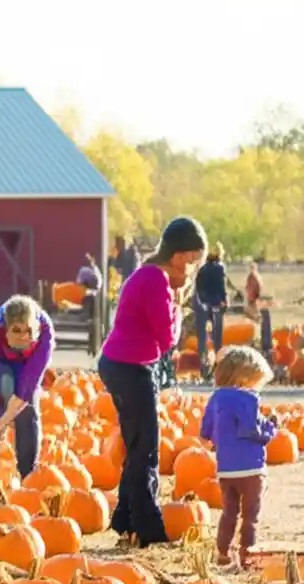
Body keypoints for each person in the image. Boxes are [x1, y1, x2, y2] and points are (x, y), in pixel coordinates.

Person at [100, 216, 208, 548]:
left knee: (137, 445)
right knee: (146, 447)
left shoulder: (145, 275)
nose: (192, 267)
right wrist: (177, 306)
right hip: (131, 368)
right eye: (192, 259)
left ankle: (126, 518)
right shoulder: (156, 281)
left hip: (120, 364)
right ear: (178, 255)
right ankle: (147, 526)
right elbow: (167, 338)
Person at [200, 346, 276, 569]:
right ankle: (247, 555)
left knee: (229, 512)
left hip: (225, 469)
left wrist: (220, 440)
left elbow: (205, 431)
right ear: (245, 377)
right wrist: (270, 428)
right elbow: (251, 429)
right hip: (251, 469)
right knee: (250, 515)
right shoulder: (247, 398)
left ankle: (222, 552)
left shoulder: (216, 398)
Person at [0, 295, 54, 479]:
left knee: (28, 409)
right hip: (1, 362)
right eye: (17, 330)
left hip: (27, 365)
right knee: (1, 386)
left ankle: (27, 473)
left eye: (28, 331)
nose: (23, 336)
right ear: (5, 328)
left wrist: (3, 422)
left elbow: (28, 384)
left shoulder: (45, 333)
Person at [194, 243, 228, 374]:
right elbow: (221, 286)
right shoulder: (219, 268)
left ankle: (202, 365)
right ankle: (217, 365)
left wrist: (202, 300)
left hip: (203, 304)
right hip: (216, 305)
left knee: (202, 337)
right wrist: (224, 300)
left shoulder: (202, 269)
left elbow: (198, 286)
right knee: (217, 337)